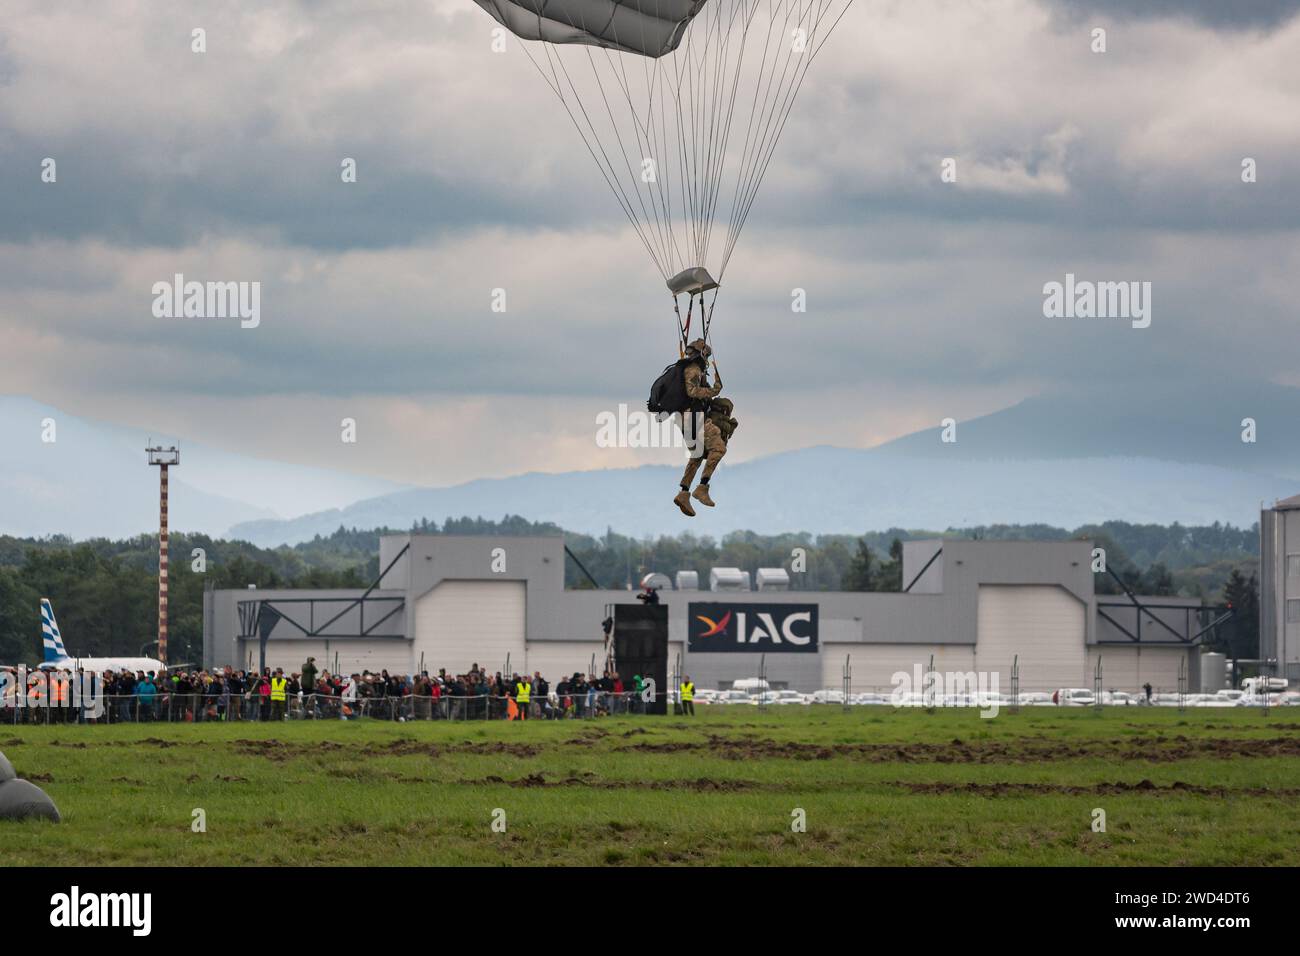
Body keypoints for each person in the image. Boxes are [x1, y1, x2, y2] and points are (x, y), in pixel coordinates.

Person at [673, 339, 738, 517]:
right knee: (718, 448)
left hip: (687, 421)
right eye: (706, 356)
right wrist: (713, 391)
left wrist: (709, 389)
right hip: (695, 419)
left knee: (698, 455)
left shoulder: (691, 370)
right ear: (702, 354)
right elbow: (692, 392)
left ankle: (683, 492)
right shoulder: (693, 369)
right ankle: (702, 487)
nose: (707, 360)